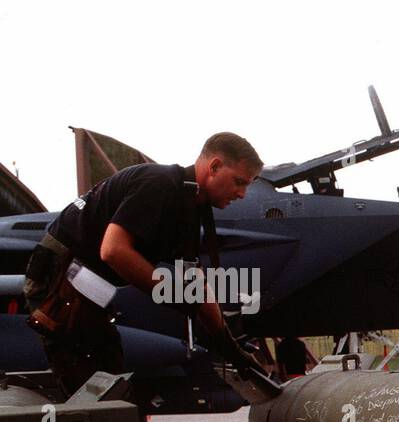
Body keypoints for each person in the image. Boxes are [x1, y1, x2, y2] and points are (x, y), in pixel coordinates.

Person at [23, 132, 262, 395]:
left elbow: (196, 286)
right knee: (92, 394)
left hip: (85, 294)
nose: (242, 193)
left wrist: (230, 347)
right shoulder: (158, 184)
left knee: (109, 382)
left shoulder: (190, 203)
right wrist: (172, 293)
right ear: (214, 166)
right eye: (239, 182)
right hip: (57, 286)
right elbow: (113, 251)